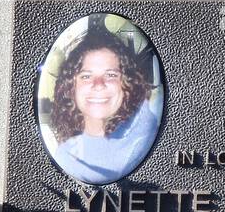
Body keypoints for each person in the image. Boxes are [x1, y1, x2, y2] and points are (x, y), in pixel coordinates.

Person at [44, 29, 160, 185]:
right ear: (71, 87)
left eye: (110, 75)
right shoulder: (64, 152)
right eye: (86, 76)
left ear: (126, 84)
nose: (98, 85)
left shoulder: (142, 140)